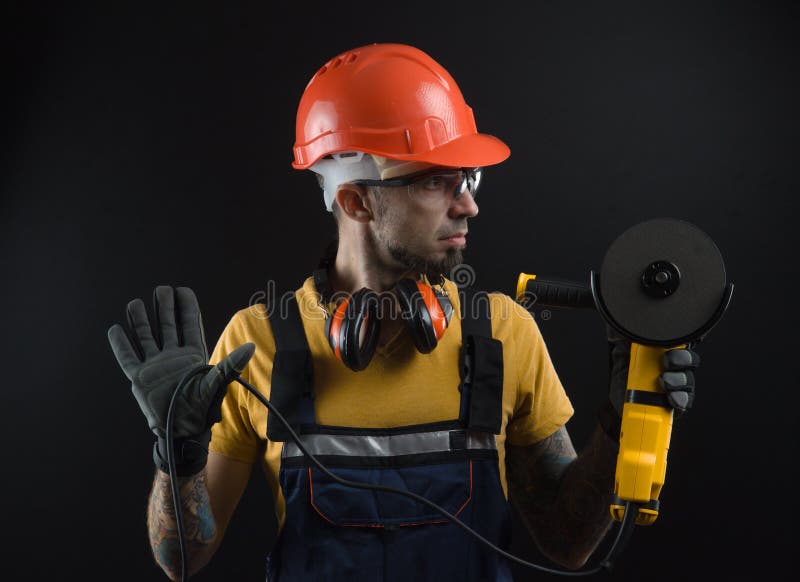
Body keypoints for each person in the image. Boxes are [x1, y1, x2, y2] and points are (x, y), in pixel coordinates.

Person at [107, 42, 700, 581]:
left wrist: (622, 423)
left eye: (469, 178)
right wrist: (176, 453)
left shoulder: (501, 335)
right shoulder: (254, 344)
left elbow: (570, 546)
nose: (468, 205)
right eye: (436, 182)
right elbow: (181, 558)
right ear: (356, 200)